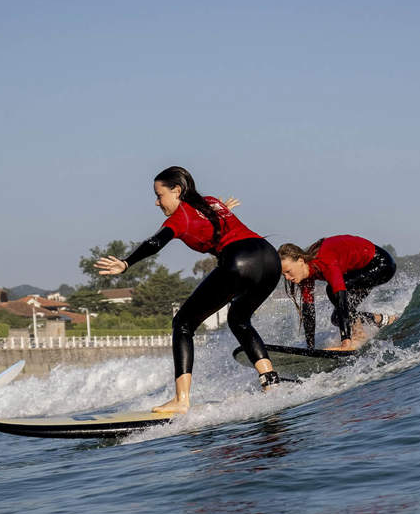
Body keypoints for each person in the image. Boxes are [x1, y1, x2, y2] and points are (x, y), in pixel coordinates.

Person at [94, 166, 282, 413]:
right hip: (270, 258)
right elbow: (213, 221)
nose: (156, 202)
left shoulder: (179, 216)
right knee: (239, 318)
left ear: (177, 190)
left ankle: (181, 400)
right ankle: (271, 384)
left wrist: (127, 262)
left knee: (182, 323)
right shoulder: (212, 203)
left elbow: (155, 242)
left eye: (159, 195)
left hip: (239, 259)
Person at [278, 235, 398, 351]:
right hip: (358, 271)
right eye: (284, 275)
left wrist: (345, 341)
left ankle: (356, 334)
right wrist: (310, 349)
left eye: (289, 271)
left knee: (332, 292)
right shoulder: (305, 277)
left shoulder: (324, 261)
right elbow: (308, 312)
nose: (287, 277)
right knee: (336, 318)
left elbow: (341, 297)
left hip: (381, 264)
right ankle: (383, 319)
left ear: (300, 261)